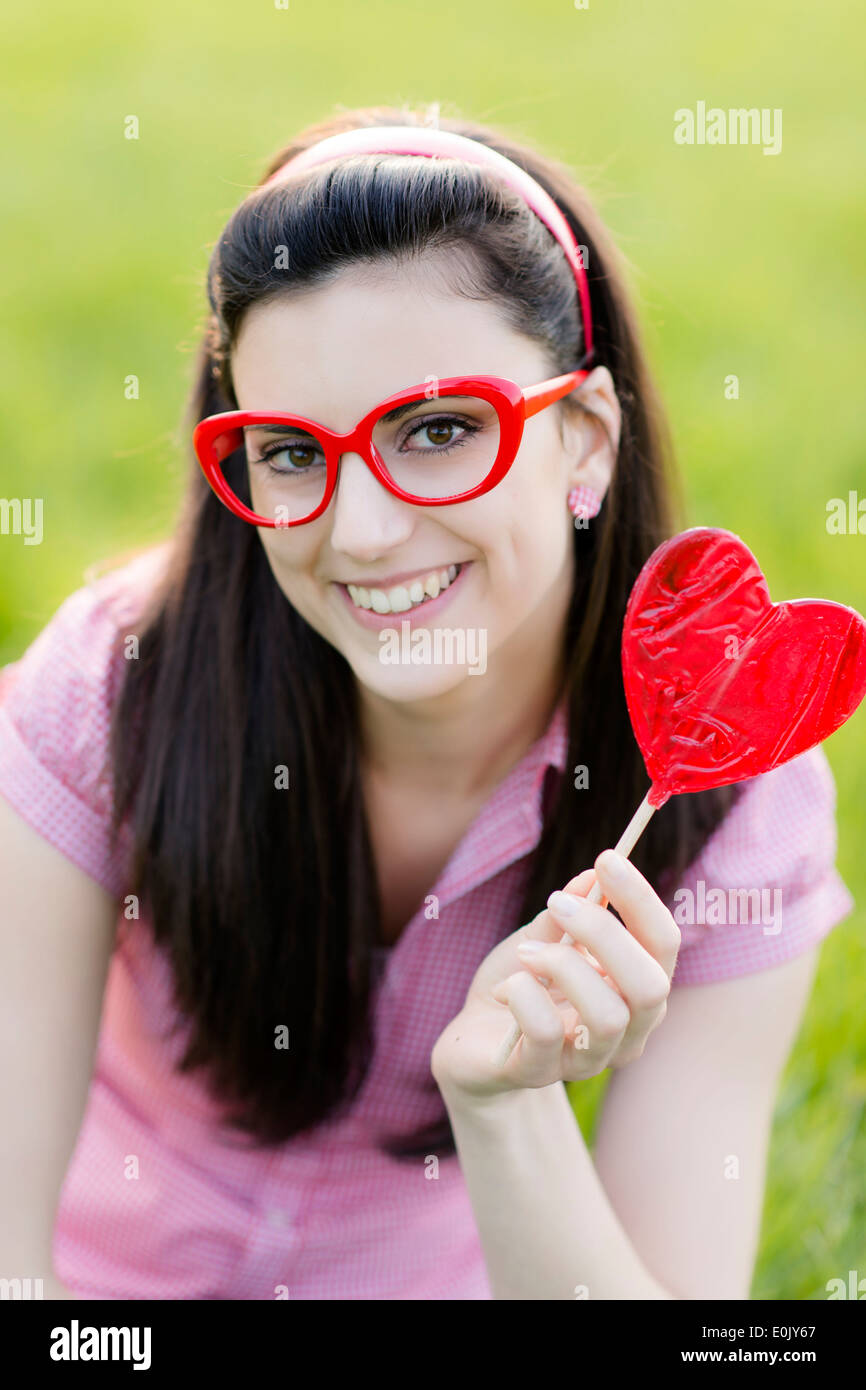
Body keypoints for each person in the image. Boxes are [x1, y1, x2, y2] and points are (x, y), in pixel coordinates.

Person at [0, 103, 853, 1301]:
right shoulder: (107, 687)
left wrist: (506, 1107)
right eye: (292, 451)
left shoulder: (730, 801)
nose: (362, 532)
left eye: (440, 429)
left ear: (586, 441)